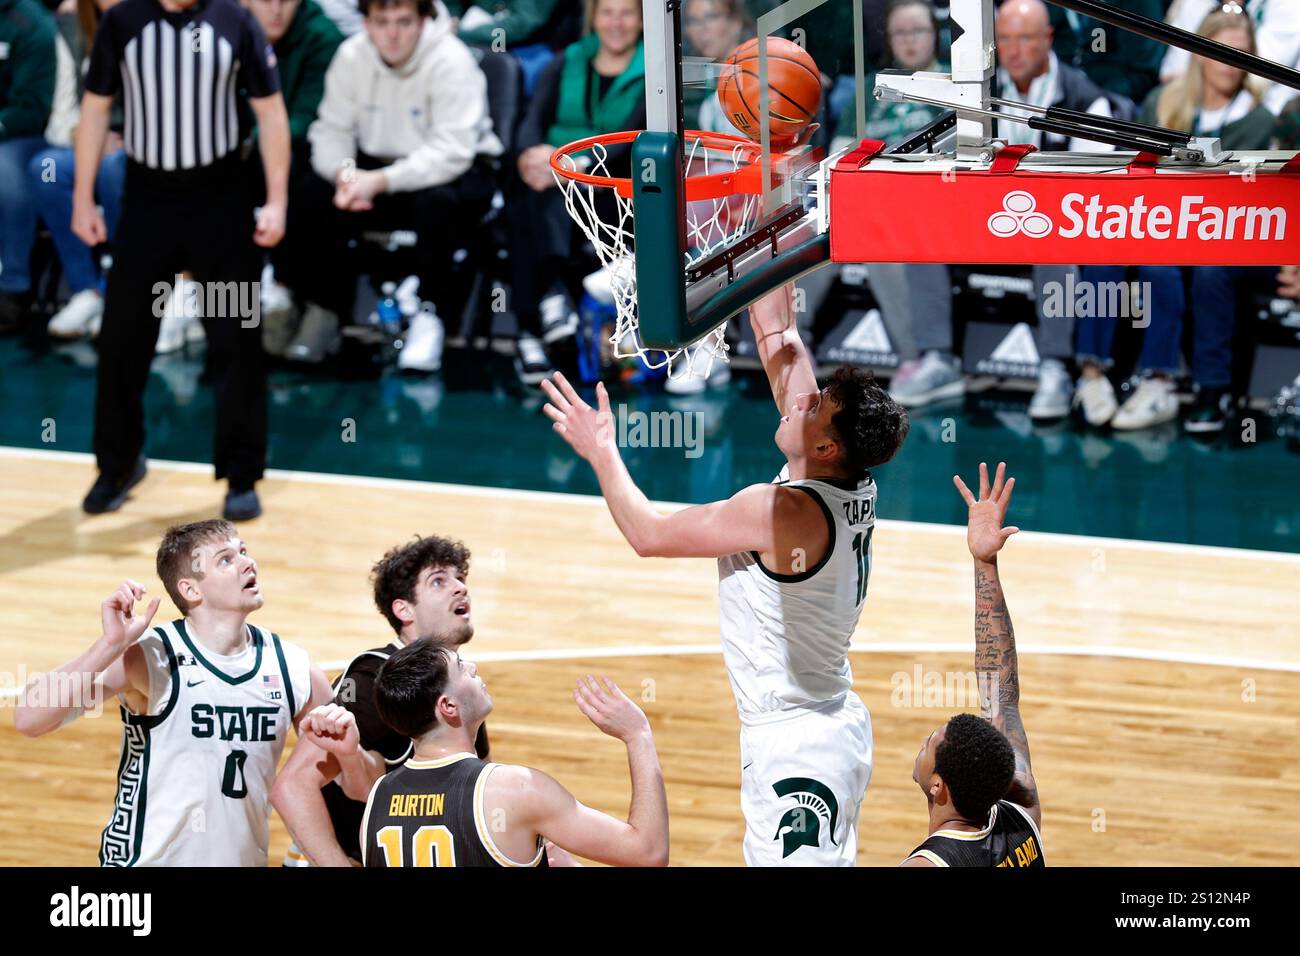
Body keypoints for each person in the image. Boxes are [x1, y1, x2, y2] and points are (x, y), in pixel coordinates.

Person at [541, 282, 910, 866]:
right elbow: (781, 338)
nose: (802, 403)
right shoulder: (850, 475)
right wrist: (766, 225)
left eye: (816, 407)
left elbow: (649, 535)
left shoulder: (778, 511)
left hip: (797, 745)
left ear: (828, 447)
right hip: (828, 719)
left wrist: (602, 449)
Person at [13, 519, 375, 866]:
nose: (247, 563)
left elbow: (359, 787)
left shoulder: (294, 669)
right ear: (190, 589)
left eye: (244, 551)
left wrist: (351, 753)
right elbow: (30, 718)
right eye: (226, 560)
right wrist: (107, 646)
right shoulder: (153, 655)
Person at [74, 0, 290, 521]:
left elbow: (270, 111)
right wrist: (82, 197)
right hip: (148, 200)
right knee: (124, 335)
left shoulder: (234, 20)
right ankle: (118, 463)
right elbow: (97, 107)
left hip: (221, 197)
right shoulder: (123, 21)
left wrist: (278, 198)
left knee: (234, 337)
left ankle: (241, 472)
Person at [287, 0, 502, 371]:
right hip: (375, 169)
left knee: (439, 200)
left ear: (423, 21)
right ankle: (323, 309)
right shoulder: (351, 56)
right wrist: (346, 175)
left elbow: (453, 151)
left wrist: (380, 182)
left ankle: (428, 314)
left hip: (455, 170)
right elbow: (330, 130)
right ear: (367, 23)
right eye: (381, 22)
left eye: (403, 22)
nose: (392, 34)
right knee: (311, 189)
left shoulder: (452, 60)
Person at [350, 638, 669, 866]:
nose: (473, 667)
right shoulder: (515, 789)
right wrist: (637, 735)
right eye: (461, 667)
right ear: (447, 706)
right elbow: (647, 852)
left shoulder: (378, 800)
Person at [272, 534, 490, 866]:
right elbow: (290, 787)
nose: (460, 587)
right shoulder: (371, 678)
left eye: (460, 578)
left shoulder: (459, 685)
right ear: (404, 609)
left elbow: (473, 795)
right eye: (439, 582)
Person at [994, 0, 1135, 422]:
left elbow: (1090, 193)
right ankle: (932, 358)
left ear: (1048, 39)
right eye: (1004, 39)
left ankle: (1055, 366)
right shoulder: (978, 92)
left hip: (1052, 224)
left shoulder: (1085, 99)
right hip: (984, 222)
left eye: (1025, 39)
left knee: (1050, 242)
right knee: (919, 233)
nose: (1013, 50)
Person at [902, 462, 1044, 867]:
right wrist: (985, 562)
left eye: (930, 743)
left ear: (938, 787)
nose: (924, 739)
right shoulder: (1021, 815)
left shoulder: (929, 865)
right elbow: (1000, 696)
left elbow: (1001, 700)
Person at [827, 0, 959, 410]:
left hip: (935, 196)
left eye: (917, 30)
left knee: (897, 233)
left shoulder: (953, 83)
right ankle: (793, 343)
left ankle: (928, 359)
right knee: (815, 228)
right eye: (900, 32)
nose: (909, 40)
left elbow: (961, 148)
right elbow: (837, 152)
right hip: (870, 196)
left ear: (935, 34)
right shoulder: (872, 87)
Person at [508, 0, 644, 385]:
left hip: (611, 188)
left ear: (641, 21)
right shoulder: (566, 60)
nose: (616, 22)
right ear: (593, 18)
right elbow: (533, 120)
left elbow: (635, 136)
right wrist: (530, 157)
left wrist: (576, 167)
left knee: (543, 197)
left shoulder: (655, 71)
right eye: (607, 12)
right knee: (524, 188)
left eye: (627, 13)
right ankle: (548, 307)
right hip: (550, 174)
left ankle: (532, 328)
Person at [238, 0, 344, 354]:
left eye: (286, 0)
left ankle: (307, 302)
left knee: (310, 179)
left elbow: (310, 115)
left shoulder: (323, 37)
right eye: (266, 0)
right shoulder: (227, 30)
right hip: (247, 146)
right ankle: (210, 300)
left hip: (309, 149)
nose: (276, 10)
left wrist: (261, 138)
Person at [32, 0, 126, 341]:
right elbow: (60, 114)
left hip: (137, 148)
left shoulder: (152, 20)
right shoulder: (71, 27)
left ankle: (121, 285)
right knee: (45, 167)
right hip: (85, 143)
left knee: (114, 170)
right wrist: (84, 136)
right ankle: (86, 289)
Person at [0, 0, 61, 333]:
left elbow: (34, 108)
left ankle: (14, 288)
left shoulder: (30, 25)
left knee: (6, 171)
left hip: (31, 135)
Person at [1160, 0, 1300, 117]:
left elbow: (1263, 73)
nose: (1227, 65)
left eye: (1240, 51)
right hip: (1194, 107)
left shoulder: (1287, 4)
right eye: (1216, 49)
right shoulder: (1193, 4)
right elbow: (1171, 74)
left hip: (1263, 111)